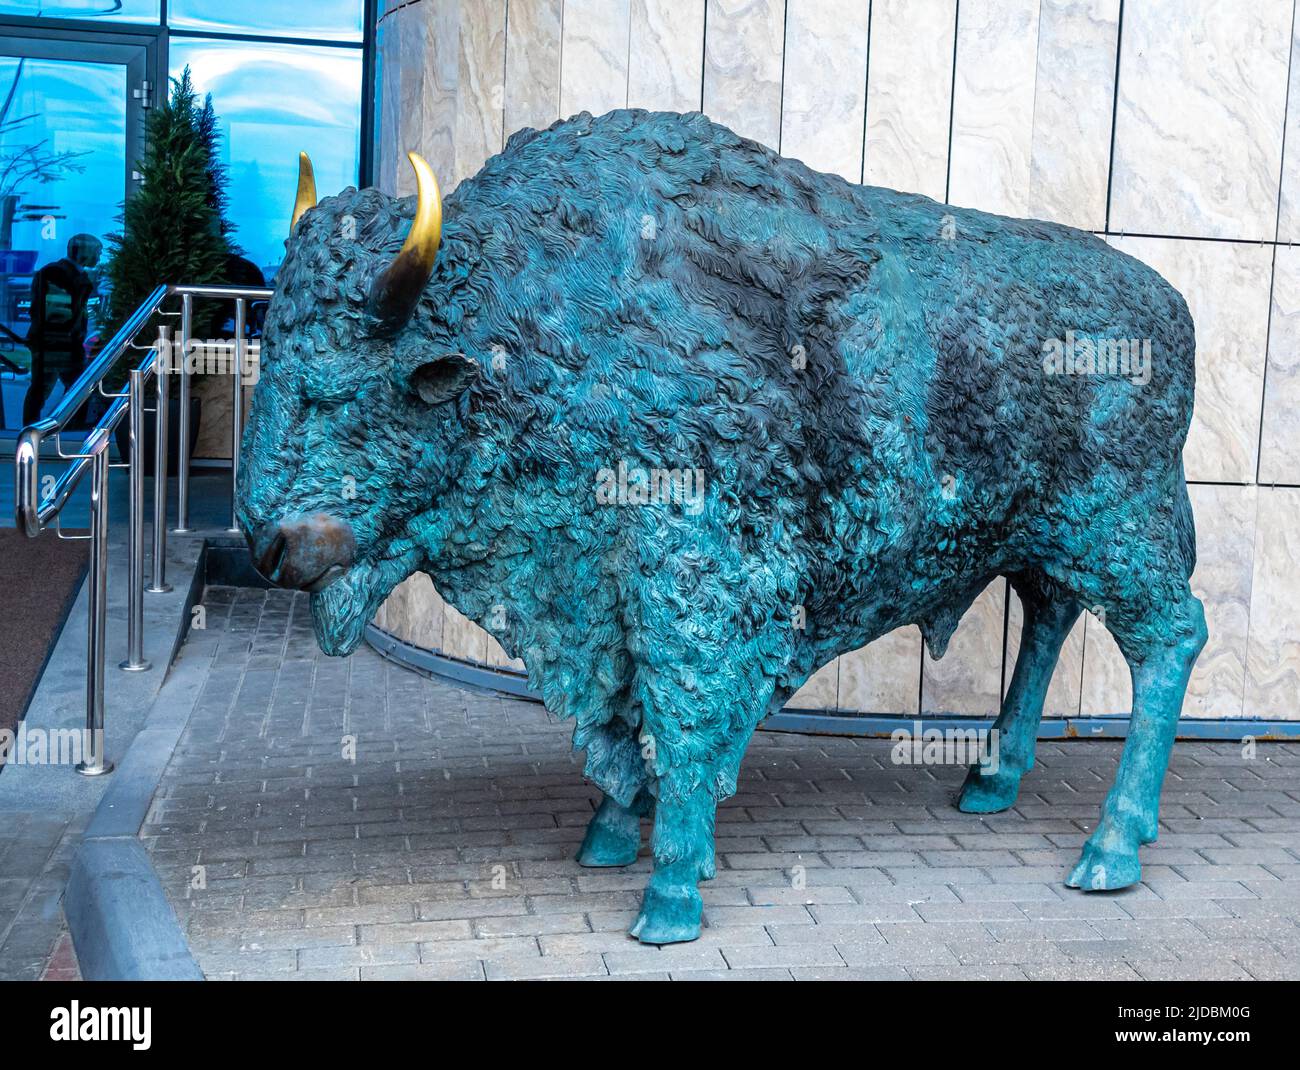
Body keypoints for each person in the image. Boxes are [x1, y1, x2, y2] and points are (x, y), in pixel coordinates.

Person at [22, 233, 102, 427]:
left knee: (67, 388)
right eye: (96, 253)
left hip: (58, 343)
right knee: (60, 388)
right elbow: (57, 313)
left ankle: (43, 428)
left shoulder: (63, 273)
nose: (99, 258)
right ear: (84, 252)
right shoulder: (57, 274)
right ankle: (45, 430)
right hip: (56, 344)